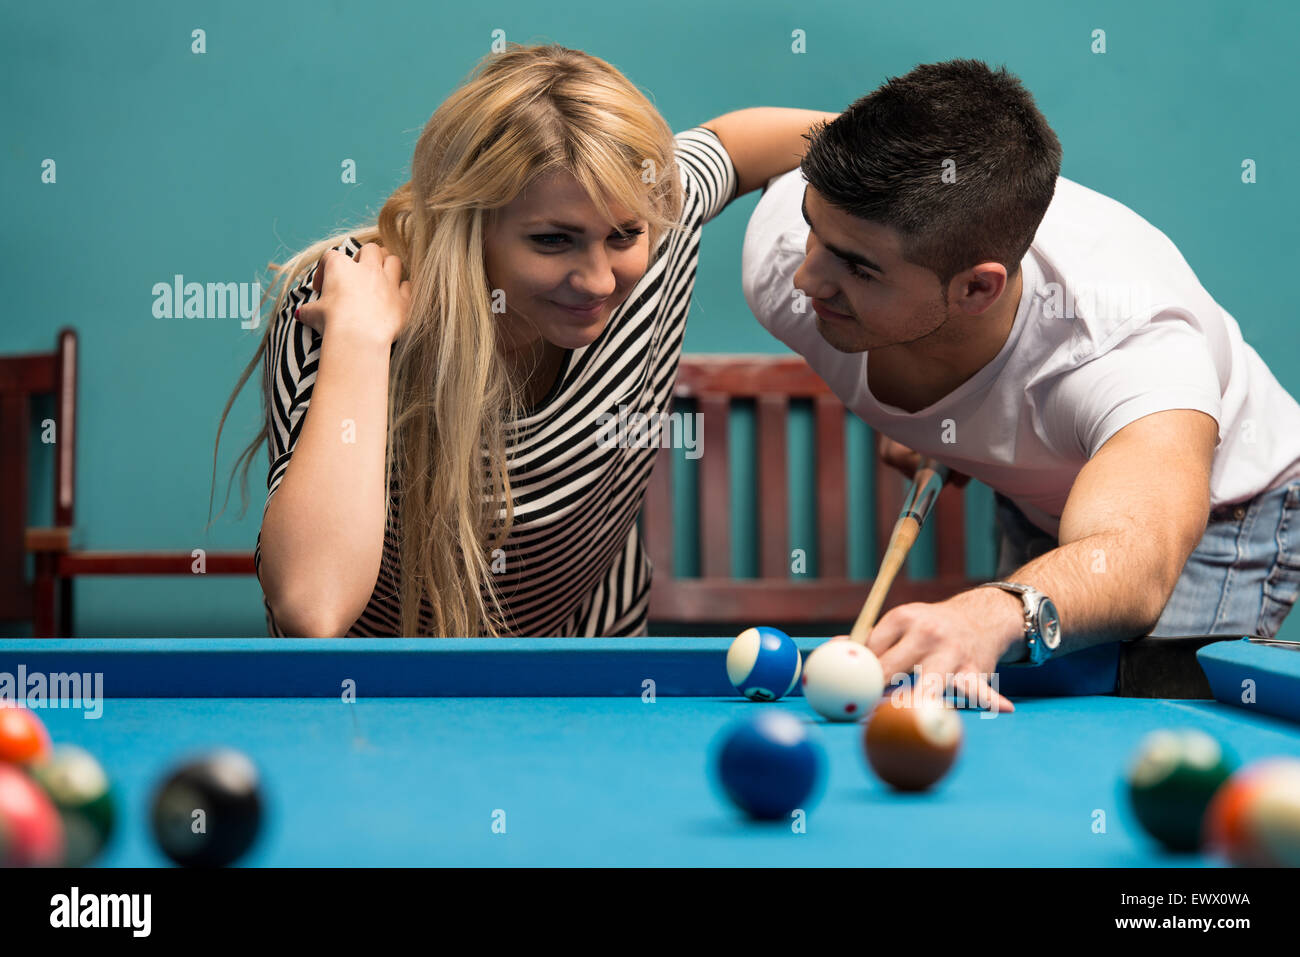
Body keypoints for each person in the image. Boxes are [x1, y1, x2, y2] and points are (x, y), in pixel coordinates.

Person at [213, 42, 836, 638]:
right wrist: (360, 341)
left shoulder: (650, 208)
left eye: (624, 235)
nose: (597, 279)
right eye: (552, 240)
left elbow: (738, 141)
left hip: (589, 678)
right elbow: (313, 606)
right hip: (371, 699)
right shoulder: (348, 299)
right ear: (469, 225)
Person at [741, 59, 1300, 710]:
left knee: (1134, 711)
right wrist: (947, 427)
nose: (807, 278)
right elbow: (730, 147)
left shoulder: (1126, 346)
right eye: (814, 230)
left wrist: (995, 609)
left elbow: (1134, 557)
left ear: (977, 288)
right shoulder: (793, 255)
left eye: (858, 269)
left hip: (1218, 509)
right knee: (1025, 682)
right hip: (1049, 487)